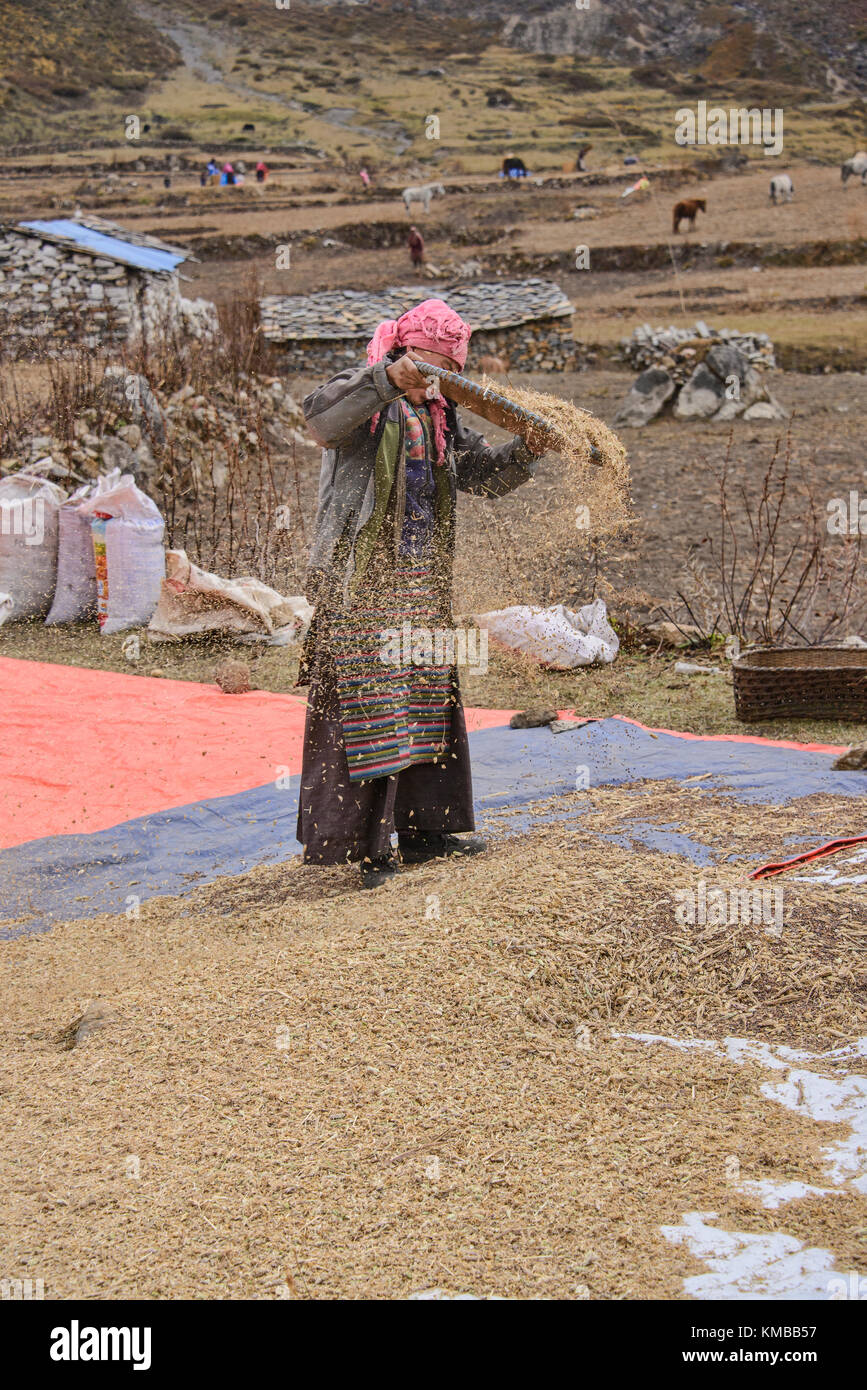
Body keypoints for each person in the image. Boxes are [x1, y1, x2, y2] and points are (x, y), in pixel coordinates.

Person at [298, 299, 543, 888]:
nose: (434, 376)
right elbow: (318, 420)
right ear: (402, 351)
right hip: (362, 582)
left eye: (445, 368)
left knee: (425, 700)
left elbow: (483, 477)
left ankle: (426, 831)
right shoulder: (366, 398)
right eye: (423, 363)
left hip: (421, 582)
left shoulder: (440, 414)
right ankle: (367, 847)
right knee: (373, 708)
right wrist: (386, 379)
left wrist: (530, 447)